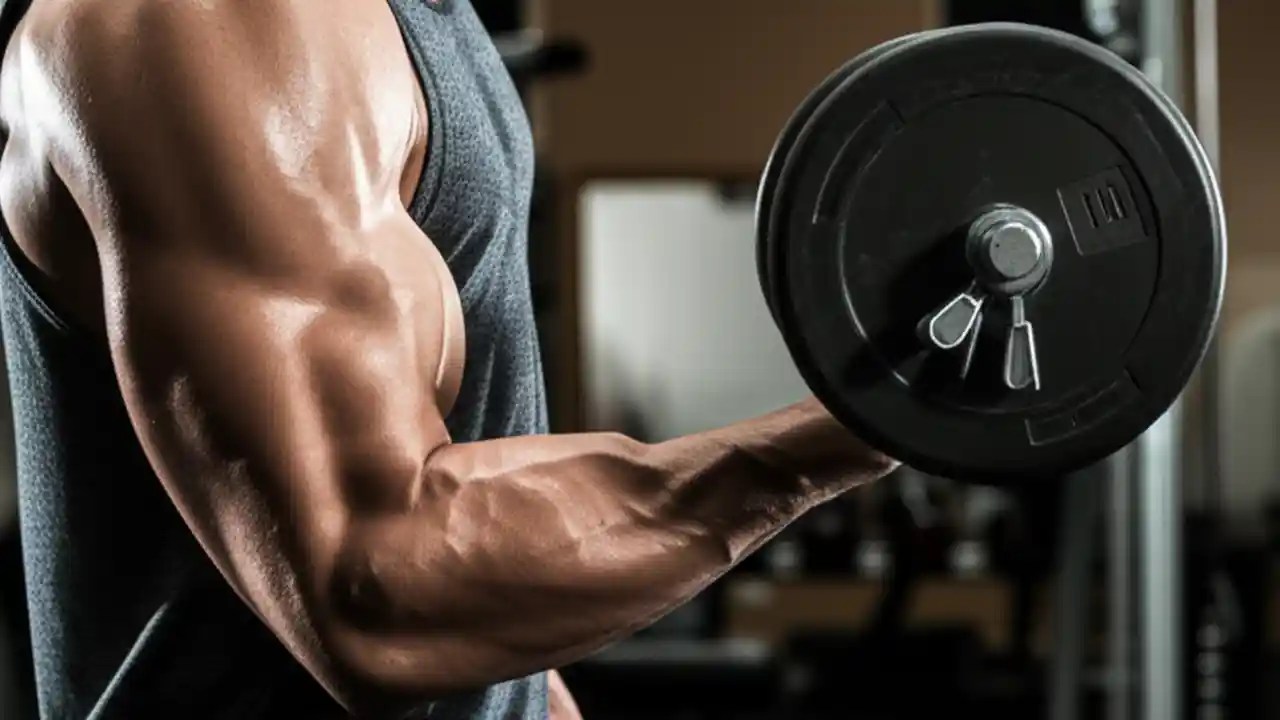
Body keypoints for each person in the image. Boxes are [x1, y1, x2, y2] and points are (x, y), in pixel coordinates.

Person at [0, 0, 898, 717]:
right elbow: (379, 581)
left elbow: (464, 580)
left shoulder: (419, 21)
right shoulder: (201, 25)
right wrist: (854, 430)